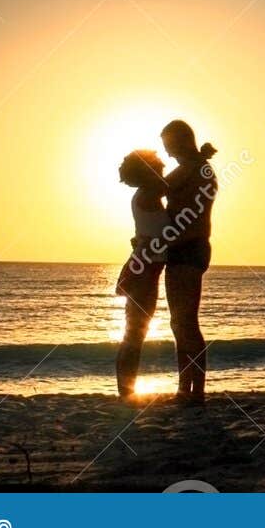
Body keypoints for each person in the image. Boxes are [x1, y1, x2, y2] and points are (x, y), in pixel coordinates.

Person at [161, 119, 218, 406]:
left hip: (190, 248)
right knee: (177, 323)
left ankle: (196, 390)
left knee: (187, 322)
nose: (168, 154)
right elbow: (161, 186)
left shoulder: (200, 170)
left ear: (180, 142)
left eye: (169, 147)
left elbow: (196, 215)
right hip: (177, 249)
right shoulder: (187, 168)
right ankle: (185, 385)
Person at [114, 150, 170, 400]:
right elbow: (176, 184)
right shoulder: (149, 193)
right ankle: (126, 392)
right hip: (144, 269)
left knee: (135, 330)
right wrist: (198, 162)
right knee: (135, 332)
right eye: (157, 165)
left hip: (146, 266)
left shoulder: (147, 194)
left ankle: (126, 390)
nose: (163, 167)